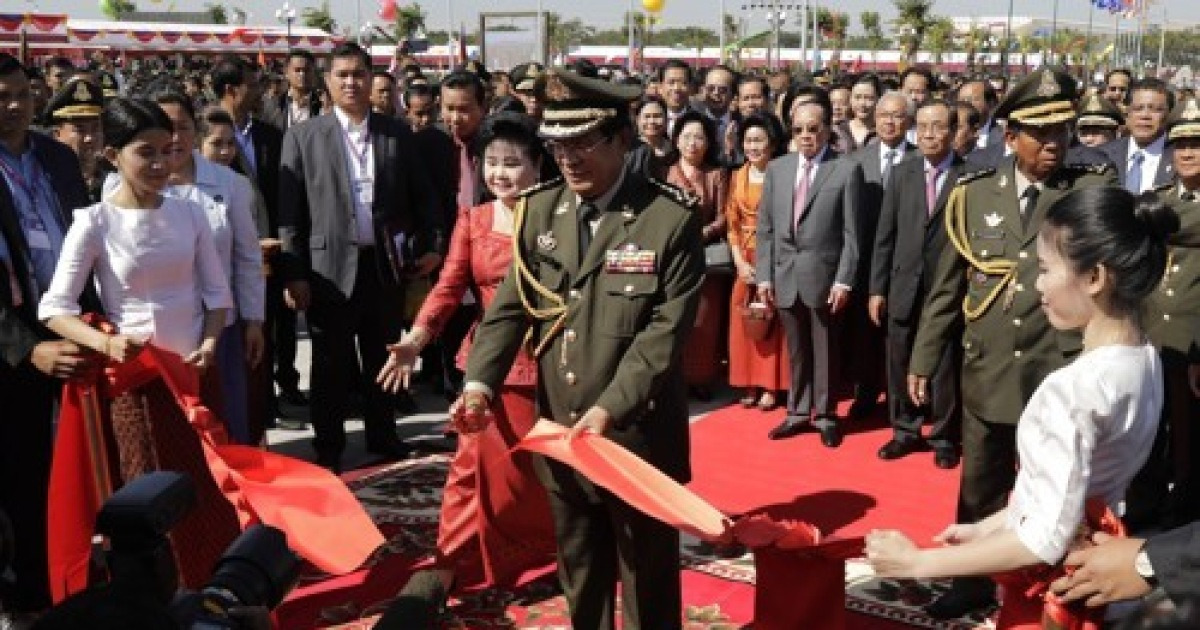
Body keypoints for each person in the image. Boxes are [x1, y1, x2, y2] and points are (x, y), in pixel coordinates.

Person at [456, 67, 704, 630]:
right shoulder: (541, 209)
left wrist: (609, 410)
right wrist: (478, 382)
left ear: (620, 139)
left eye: (582, 143)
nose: (567, 158)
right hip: (563, 431)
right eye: (557, 144)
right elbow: (513, 306)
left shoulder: (669, 218)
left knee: (646, 578)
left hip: (633, 436)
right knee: (581, 573)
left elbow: (663, 336)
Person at [867, 185, 1175, 629]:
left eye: (1047, 269)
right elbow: (1075, 492)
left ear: (1094, 278)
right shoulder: (1144, 357)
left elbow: (1044, 540)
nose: (1038, 285)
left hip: (1051, 595)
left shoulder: (1071, 389)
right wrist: (991, 526)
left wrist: (916, 563)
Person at [906, 68, 1117, 620]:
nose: (1053, 145)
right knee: (981, 482)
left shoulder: (1089, 190)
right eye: (1040, 135)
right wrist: (925, 356)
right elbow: (948, 284)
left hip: (1060, 365)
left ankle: (1059, 587)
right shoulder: (973, 194)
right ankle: (972, 582)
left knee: (1063, 488)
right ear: (1010, 136)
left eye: (1062, 133)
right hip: (990, 364)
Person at [38, 96, 242, 589]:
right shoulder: (95, 222)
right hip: (134, 384)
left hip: (193, 376)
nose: (160, 164)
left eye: (168, 151)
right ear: (113, 156)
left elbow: (218, 296)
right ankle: (153, 601)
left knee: (206, 495)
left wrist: (211, 343)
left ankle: (208, 593)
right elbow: (54, 308)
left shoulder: (192, 214)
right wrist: (105, 344)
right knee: (147, 501)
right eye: (144, 153)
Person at [375, 113, 556, 613]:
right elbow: (450, 285)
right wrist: (416, 337)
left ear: (537, 165)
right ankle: (449, 560)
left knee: (540, 471)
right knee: (469, 466)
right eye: (492, 163)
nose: (501, 174)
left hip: (549, 357)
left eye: (513, 164)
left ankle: (561, 550)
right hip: (487, 365)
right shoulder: (473, 221)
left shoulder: (560, 215)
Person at [277, 42, 445, 472]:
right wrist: (293, 274)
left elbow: (423, 196)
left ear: (371, 79)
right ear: (328, 82)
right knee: (330, 365)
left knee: (382, 357)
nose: (351, 83)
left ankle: (384, 436)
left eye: (359, 74)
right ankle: (328, 447)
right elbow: (290, 215)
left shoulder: (396, 133)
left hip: (384, 267)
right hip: (326, 271)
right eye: (342, 75)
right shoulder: (302, 137)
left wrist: (431, 245)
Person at [102, 91, 266, 445]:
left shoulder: (230, 184)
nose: (173, 139)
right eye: (164, 129)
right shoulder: (117, 187)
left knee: (225, 426)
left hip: (217, 330)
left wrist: (254, 318)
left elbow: (247, 257)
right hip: (156, 338)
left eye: (182, 128)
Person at [0, 52, 97, 624]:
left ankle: (68, 576)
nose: (12, 106)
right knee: (17, 476)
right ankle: (25, 597)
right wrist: (25, 346)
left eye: (20, 93)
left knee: (68, 469)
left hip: (69, 327)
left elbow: (84, 241)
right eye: (0, 96)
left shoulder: (56, 157)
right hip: (14, 343)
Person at [757, 92, 864, 447]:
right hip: (785, 274)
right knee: (797, 350)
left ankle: (827, 413)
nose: (806, 135)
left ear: (827, 129)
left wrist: (844, 280)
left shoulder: (846, 169)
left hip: (825, 277)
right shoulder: (777, 168)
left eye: (814, 129)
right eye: (799, 129)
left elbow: (852, 234)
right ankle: (797, 412)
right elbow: (766, 228)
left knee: (826, 350)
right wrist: (765, 275)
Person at [869, 99, 964, 468]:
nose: (928, 134)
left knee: (944, 366)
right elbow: (884, 235)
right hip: (902, 285)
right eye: (922, 126)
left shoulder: (969, 176)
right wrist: (877, 288)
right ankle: (905, 430)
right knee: (899, 360)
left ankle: (943, 436)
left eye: (938, 126)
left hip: (947, 288)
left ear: (953, 131)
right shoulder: (902, 172)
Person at [1141, 98, 1200, 528]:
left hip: (1191, 341)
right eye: (1179, 143)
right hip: (1149, 335)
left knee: (1187, 439)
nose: (1187, 152)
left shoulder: (1158, 208)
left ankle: (1181, 516)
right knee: (1146, 431)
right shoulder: (1156, 199)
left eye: (1197, 143)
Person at [726, 112, 789, 411]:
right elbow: (731, 223)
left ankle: (771, 385)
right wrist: (739, 260)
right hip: (745, 256)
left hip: (774, 255)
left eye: (759, 140)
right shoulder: (737, 175)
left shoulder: (783, 173)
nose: (752, 146)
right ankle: (747, 381)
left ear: (773, 144)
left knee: (771, 320)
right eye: (748, 140)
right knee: (743, 318)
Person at [665, 111, 729, 400]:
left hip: (706, 257)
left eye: (699, 137)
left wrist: (706, 232)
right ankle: (674, 378)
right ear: (676, 140)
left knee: (705, 320)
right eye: (687, 136)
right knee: (676, 318)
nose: (693, 143)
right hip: (672, 256)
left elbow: (725, 214)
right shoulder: (665, 173)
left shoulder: (716, 175)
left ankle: (702, 378)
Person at [1098, 78, 1175, 195]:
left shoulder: (1181, 157)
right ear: (1127, 113)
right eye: (1137, 108)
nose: (1145, 116)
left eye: (1155, 110)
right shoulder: (1103, 154)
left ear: (1169, 114)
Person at [44, 77, 109, 204]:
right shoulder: (47, 183)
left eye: (95, 128)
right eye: (80, 130)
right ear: (57, 134)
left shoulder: (114, 183)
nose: (89, 138)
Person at [846, 74, 881, 149]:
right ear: (850, 99)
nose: (862, 104)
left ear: (878, 99)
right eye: (857, 97)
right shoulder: (838, 132)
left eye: (868, 98)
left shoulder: (884, 132)